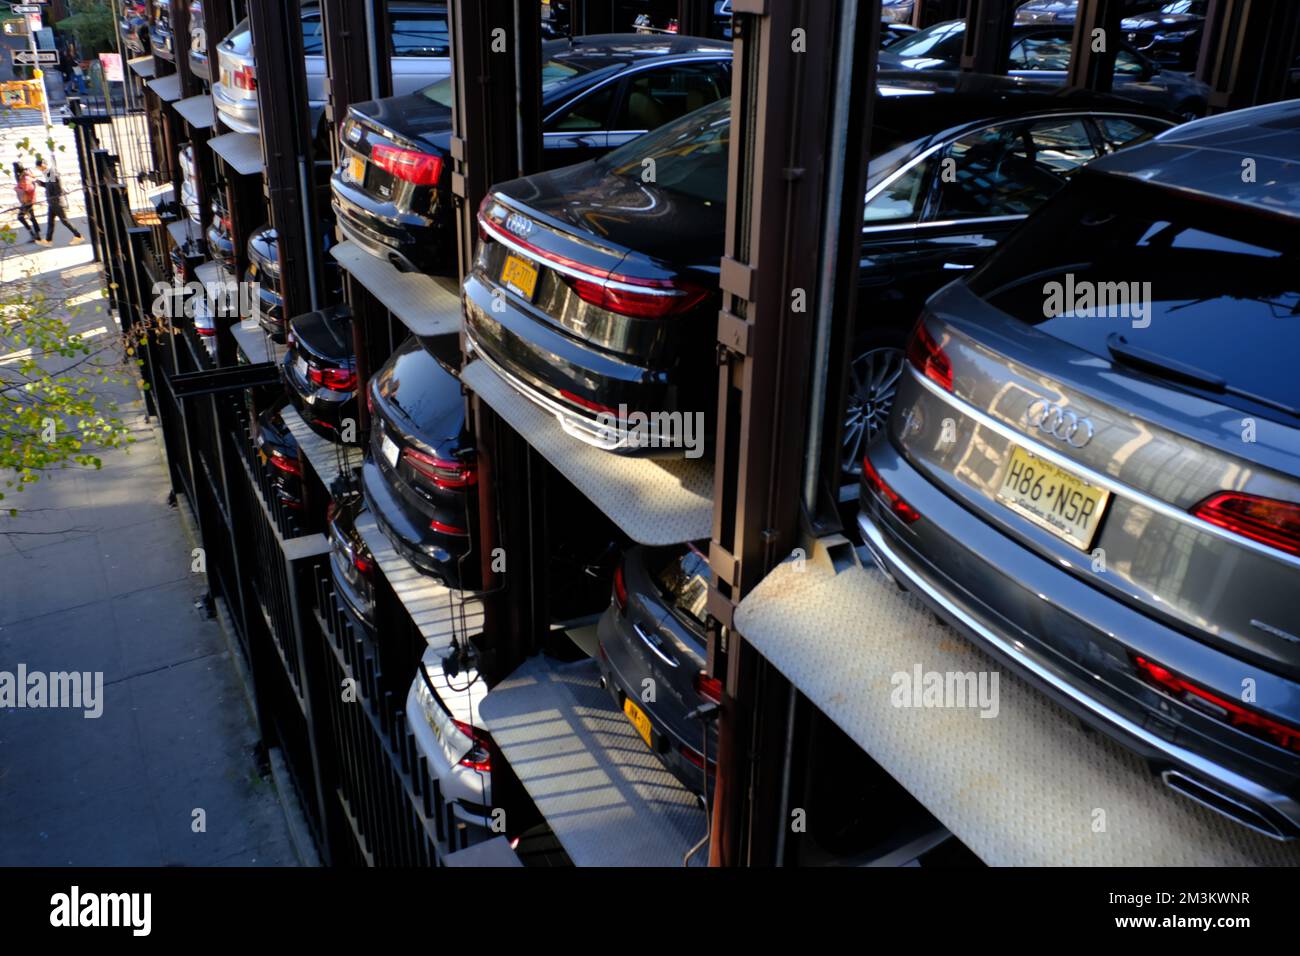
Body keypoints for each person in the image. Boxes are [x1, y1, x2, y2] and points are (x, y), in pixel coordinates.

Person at [34, 159, 84, 246]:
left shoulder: (51, 173)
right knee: (50, 222)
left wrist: (53, 197)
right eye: (38, 168)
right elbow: (49, 186)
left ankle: (78, 236)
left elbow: (58, 189)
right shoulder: (48, 173)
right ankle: (48, 240)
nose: (39, 169)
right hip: (52, 203)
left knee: (65, 221)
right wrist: (41, 183)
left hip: (56, 203)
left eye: (39, 167)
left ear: (43, 165)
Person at [13, 163, 40, 243]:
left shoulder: (25, 177)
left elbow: (28, 188)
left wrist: (18, 189)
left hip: (28, 201)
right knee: (32, 217)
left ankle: (33, 234)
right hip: (27, 201)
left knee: (20, 217)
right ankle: (36, 235)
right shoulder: (23, 176)